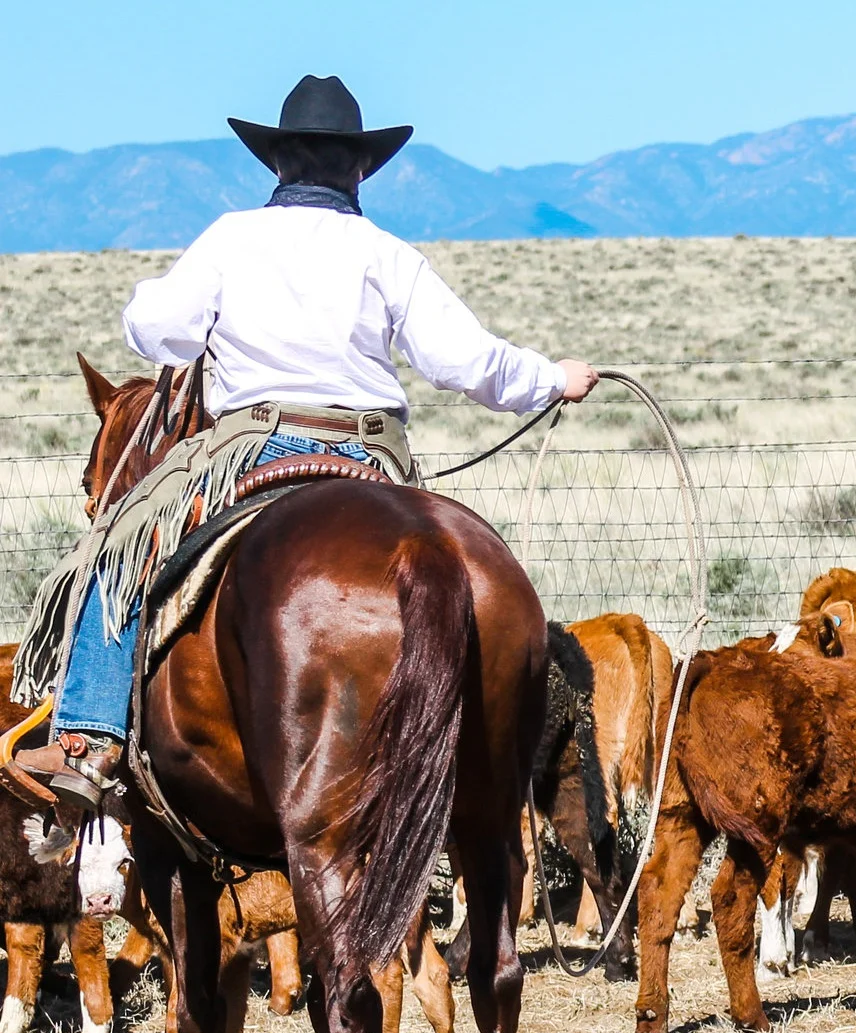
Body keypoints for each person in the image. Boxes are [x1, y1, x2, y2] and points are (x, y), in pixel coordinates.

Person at [6, 76, 598, 825]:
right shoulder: (387, 254)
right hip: (372, 452)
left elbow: (156, 331)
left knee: (117, 552)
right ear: (360, 170)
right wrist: (555, 378)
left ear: (278, 165)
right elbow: (466, 362)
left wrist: (152, 309)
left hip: (253, 443)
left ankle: (89, 743)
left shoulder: (232, 238)